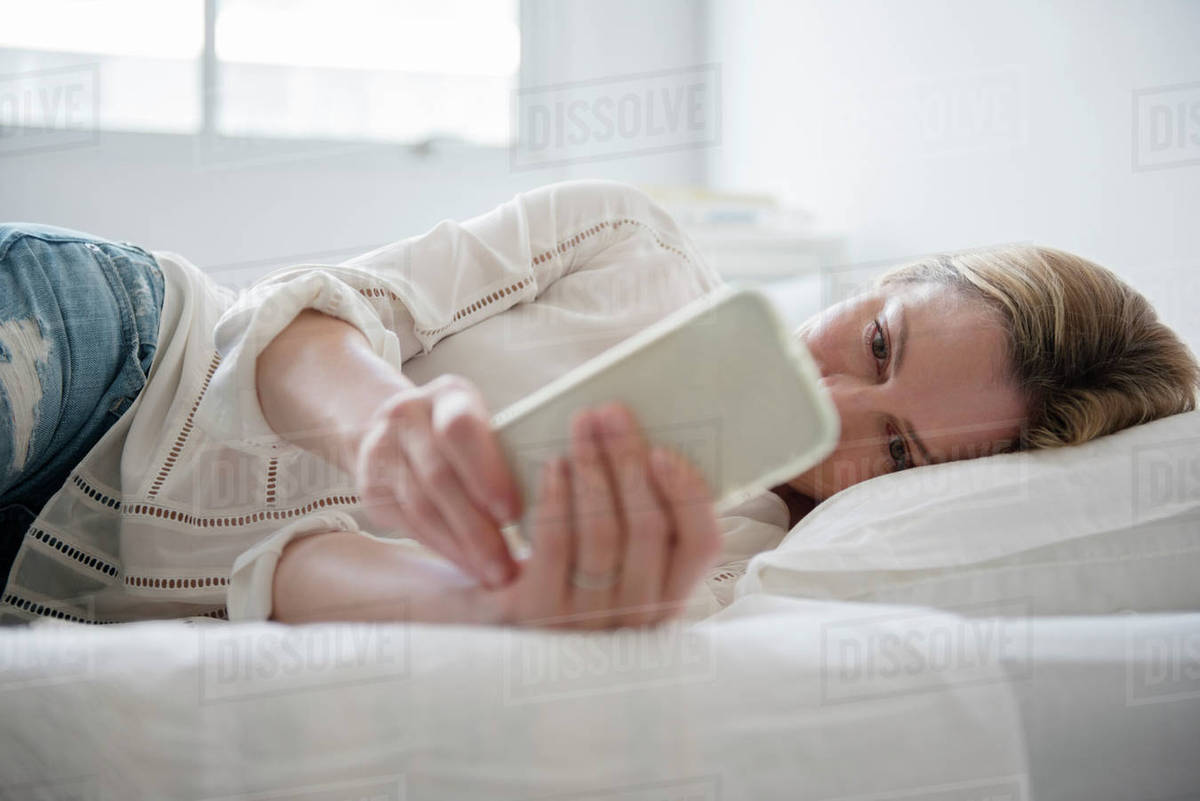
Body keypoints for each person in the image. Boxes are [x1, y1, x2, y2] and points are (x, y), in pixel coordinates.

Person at [1, 181, 1196, 628]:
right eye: (876, 342)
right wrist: (379, 427)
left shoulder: (721, 574)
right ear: (884, 283)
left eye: (896, 453)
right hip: (116, 348)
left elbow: (277, 575)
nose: (833, 404)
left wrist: (497, 602)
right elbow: (306, 319)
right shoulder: (627, 240)